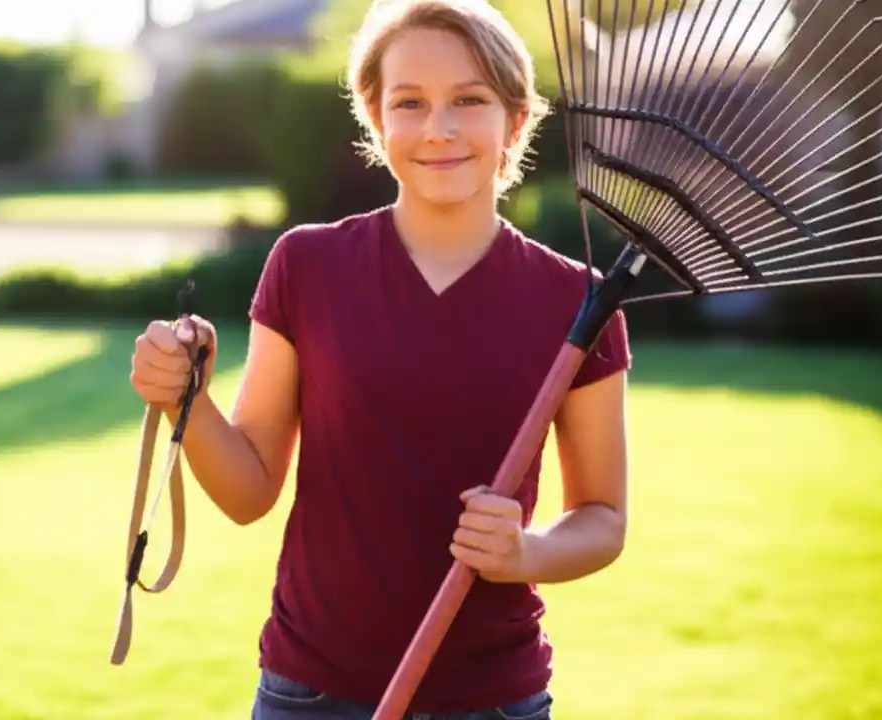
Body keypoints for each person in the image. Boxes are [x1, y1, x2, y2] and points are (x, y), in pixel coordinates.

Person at [129, 1, 632, 717]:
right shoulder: (307, 265)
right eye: (410, 102)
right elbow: (249, 491)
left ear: (516, 119)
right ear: (375, 116)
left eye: (469, 99)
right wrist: (188, 398)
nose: (439, 128)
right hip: (313, 694)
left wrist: (527, 553)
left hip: (492, 699)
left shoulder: (576, 302)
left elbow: (603, 516)